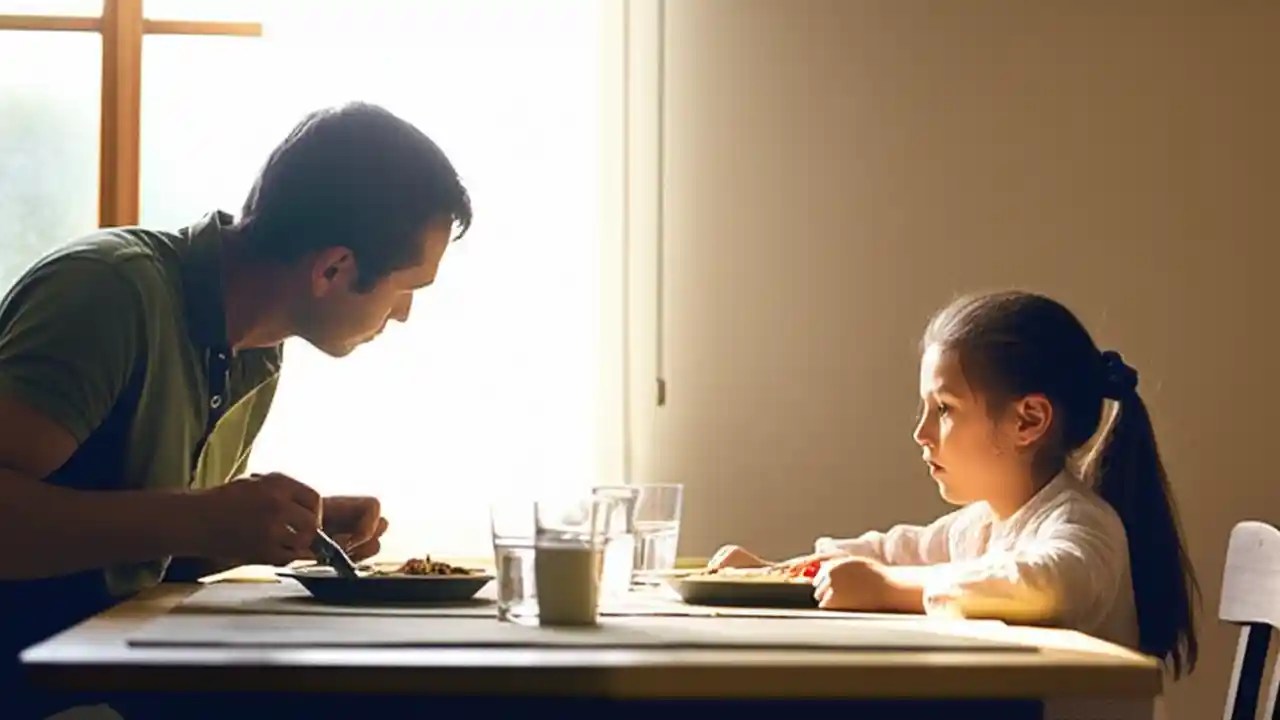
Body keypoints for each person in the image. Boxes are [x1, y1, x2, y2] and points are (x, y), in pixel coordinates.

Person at [0, 101, 472, 717]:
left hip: (115, 673)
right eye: (407, 288)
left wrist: (269, 530)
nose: (404, 313)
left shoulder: (256, 353)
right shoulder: (109, 293)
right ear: (332, 268)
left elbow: (144, 552)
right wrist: (198, 518)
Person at [710, 290, 1199, 679]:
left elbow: (1041, 586)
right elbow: (894, 550)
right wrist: (774, 574)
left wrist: (885, 589)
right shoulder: (983, 525)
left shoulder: (1084, 526)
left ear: (1028, 421)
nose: (921, 433)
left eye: (944, 409)